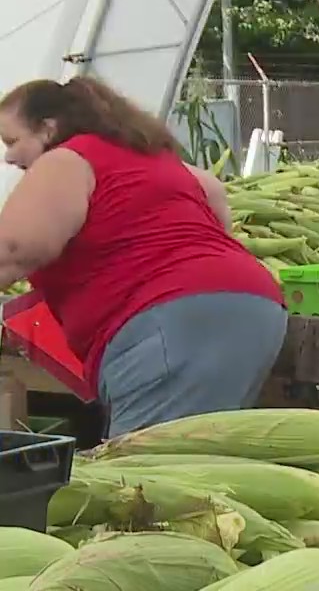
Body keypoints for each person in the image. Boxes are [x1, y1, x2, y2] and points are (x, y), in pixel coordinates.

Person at [0, 76, 287, 438]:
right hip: (254, 309)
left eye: (12, 142)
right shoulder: (151, 157)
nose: (9, 157)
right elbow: (213, 195)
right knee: (200, 456)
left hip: (169, 323)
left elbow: (12, 250)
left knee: (142, 476)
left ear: (47, 129)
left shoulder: (66, 160)